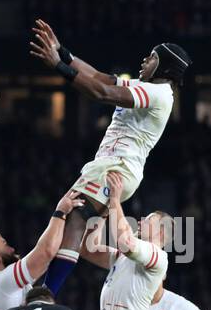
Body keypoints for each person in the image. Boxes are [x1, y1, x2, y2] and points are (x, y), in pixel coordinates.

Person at [27, 19, 190, 295]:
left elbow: (101, 93)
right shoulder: (147, 87)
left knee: (73, 218)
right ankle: (129, 268)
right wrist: (63, 52)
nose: (144, 59)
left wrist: (58, 66)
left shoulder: (158, 93)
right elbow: (102, 78)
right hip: (117, 169)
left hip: (115, 167)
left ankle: (45, 296)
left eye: (152, 57)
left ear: (164, 67)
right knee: (86, 241)